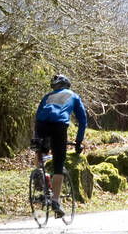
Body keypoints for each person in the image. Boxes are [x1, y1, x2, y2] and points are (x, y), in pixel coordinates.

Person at [33, 73, 87, 218]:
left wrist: (36, 140)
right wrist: (78, 141)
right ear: (67, 86)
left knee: (40, 153)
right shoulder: (73, 96)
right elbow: (83, 121)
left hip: (41, 126)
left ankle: (40, 175)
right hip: (59, 126)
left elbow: (37, 116)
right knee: (58, 164)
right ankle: (55, 201)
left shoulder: (47, 96)